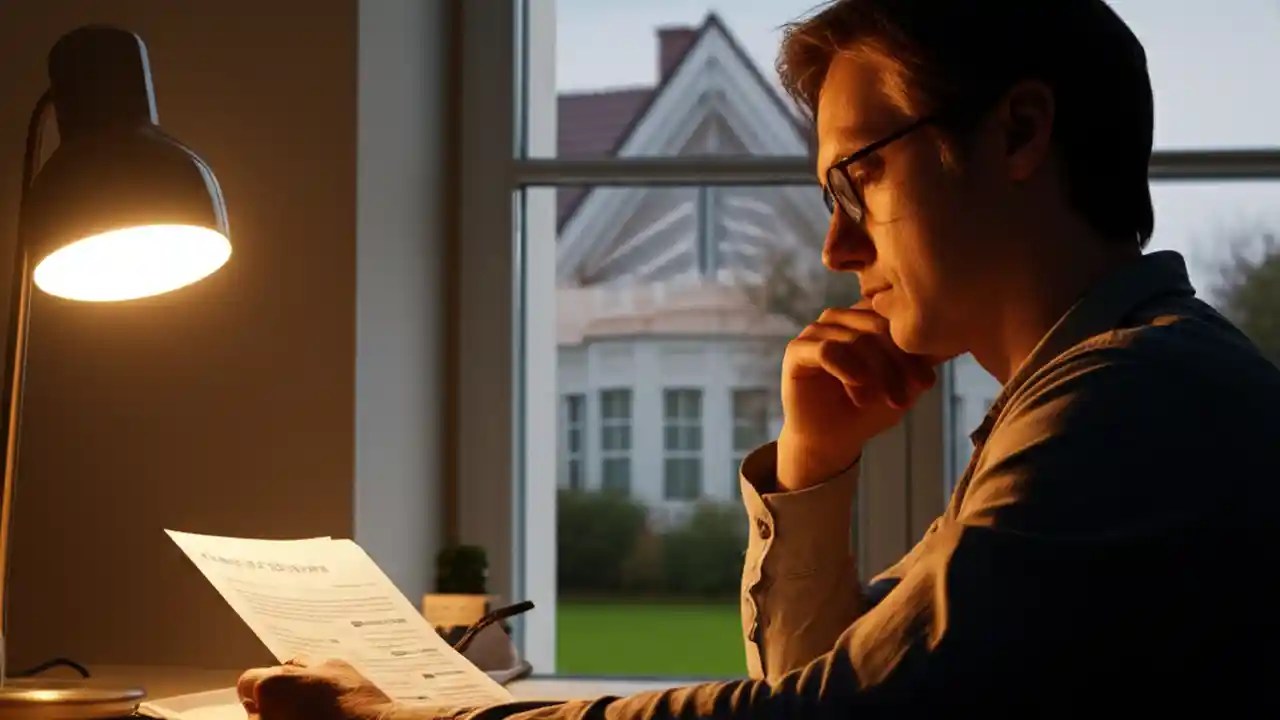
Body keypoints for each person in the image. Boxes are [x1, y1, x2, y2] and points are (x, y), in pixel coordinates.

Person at [237, 0, 1280, 716]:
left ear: (1015, 131)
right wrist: (811, 465)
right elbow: (832, 680)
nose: (835, 248)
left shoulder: (1129, 401)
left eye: (855, 179)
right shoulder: (1089, 394)